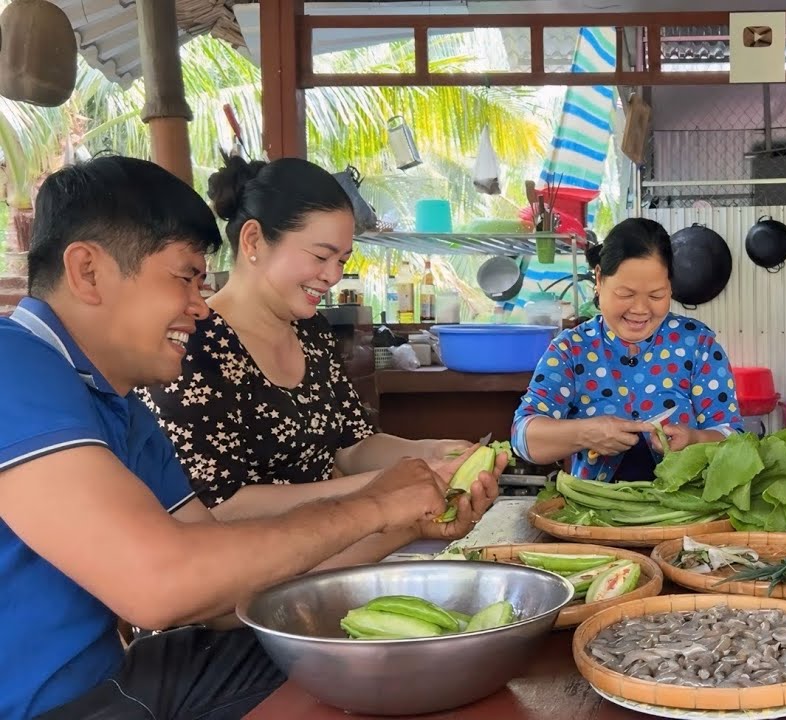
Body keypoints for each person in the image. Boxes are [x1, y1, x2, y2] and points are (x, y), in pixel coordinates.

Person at [0, 156, 502, 719]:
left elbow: (218, 597)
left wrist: (407, 523)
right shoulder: (11, 365)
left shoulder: (120, 405)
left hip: (117, 680)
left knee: (384, 660)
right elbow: (162, 586)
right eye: (185, 276)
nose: (198, 303)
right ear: (88, 271)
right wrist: (377, 502)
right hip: (50, 707)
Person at [140, 154, 497, 522]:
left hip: (329, 555)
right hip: (248, 569)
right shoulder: (194, 346)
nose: (332, 276)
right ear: (254, 241)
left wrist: (432, 454)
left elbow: (354, 446)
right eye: (321, 256)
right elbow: (220, 505)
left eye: (342, 261)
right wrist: (383, 487)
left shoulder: (311, 332)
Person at [512, 218, 744, 482]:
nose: (640, 310)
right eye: (626, 294)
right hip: (594, 517)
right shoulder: (571, 349)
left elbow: (733, 436)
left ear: (670, 286)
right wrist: (585, 433)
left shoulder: (698, 345)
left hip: (684, 517)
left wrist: (696, 440)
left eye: (656, 295)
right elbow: (523, 437)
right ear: (599, 279)